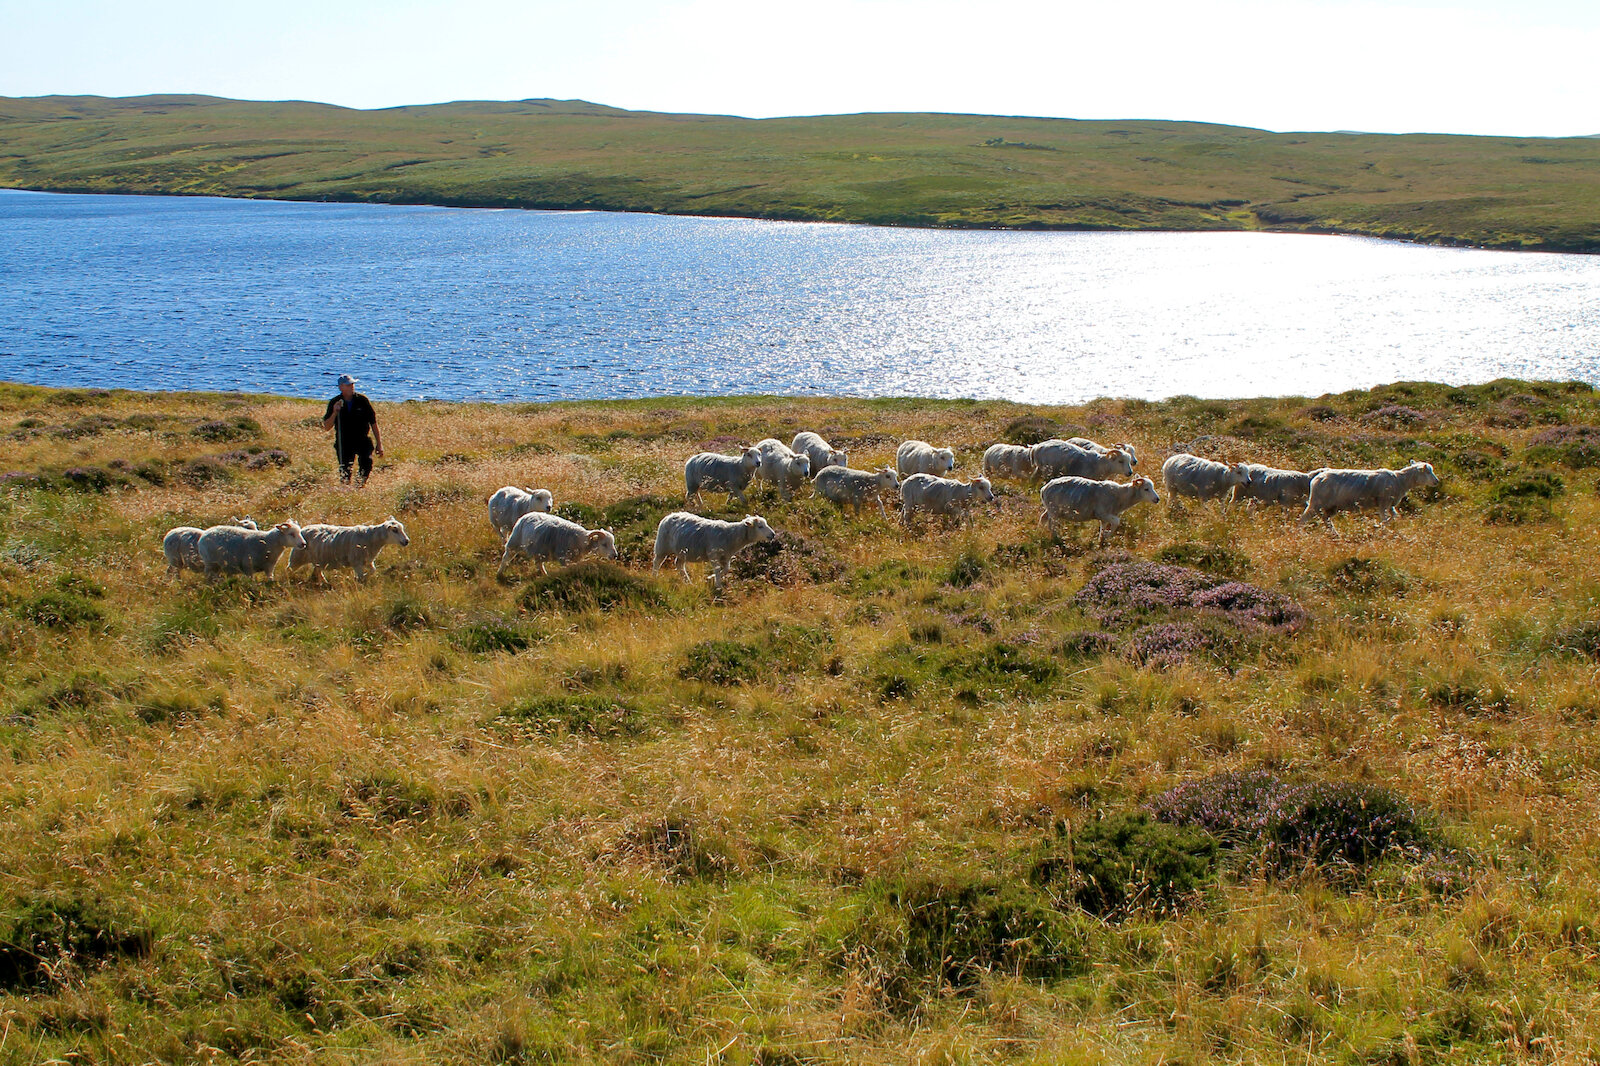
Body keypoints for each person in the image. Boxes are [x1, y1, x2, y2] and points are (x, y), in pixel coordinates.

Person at [322, 374, 382, 485]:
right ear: (341, 387)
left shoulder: (362, 401)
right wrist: (335, 412)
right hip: (344, 442)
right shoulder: (335, 402)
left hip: (362, 440)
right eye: (348, 385)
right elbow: (326, 426)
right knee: (345, 470)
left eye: (352, 384)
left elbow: (373, 423)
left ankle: (359, 485)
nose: (351, 387)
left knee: (367, 463)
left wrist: (379, 443)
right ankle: (346, 491)